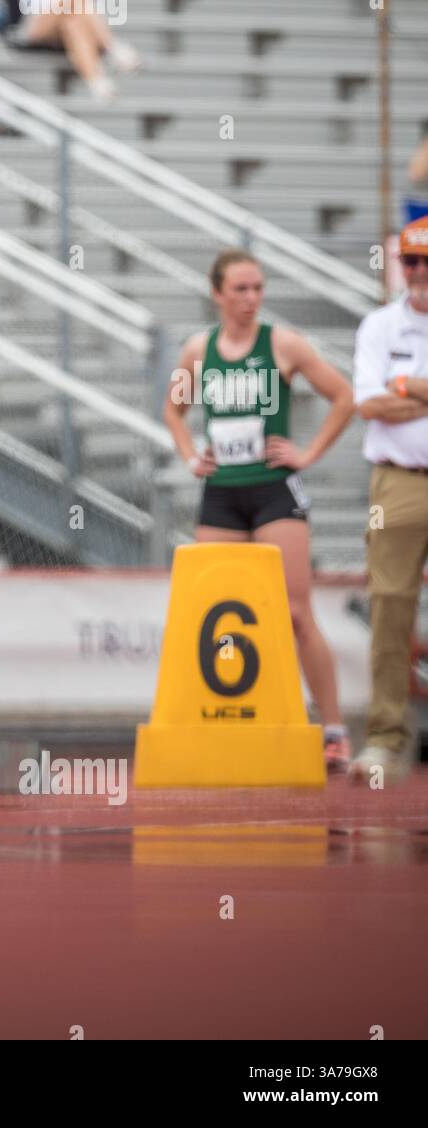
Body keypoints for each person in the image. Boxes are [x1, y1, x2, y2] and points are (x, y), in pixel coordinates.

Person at [163, 249, 356, 771]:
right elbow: (173, 409)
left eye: (258, 288)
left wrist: (307, 454)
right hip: (221, 495)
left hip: (275, 493)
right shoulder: (198, 349)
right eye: (241, 289)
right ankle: (224, 726)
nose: (251, 299)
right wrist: (190, 456)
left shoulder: (283, 344)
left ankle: (334, 729)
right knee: (214, 612)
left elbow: (343, 396)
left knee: (295, 613)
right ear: (217, 294)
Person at [350, 216, 428, 782]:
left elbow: (384, 397)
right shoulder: (379, 325)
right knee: (390, 607)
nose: (419, 271)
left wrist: (403, 386)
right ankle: (383, 737)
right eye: (411, 260)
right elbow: (368, 405)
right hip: (396, 479)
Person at [6, 2, 142, 104]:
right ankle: (112, 47)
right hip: (30, 27)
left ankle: (96, 80)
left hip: (63, 19)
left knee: (72, 24)